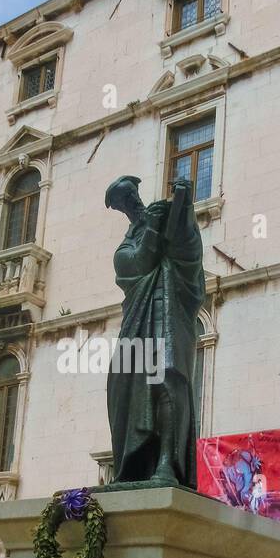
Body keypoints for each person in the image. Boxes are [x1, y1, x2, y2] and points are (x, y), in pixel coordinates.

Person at [104, 174, 205, 488]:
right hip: (139, 321)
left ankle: (167, 463)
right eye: (124, 201)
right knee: (126, 387)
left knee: (167, 380)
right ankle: (137, 462)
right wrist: (152, 229)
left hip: (170, 313)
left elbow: (188, 250)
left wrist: (183, 208)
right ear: (121, 209)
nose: (132, 203)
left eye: (132, 195)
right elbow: (138, 264)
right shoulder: (124, 248)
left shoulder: (161, 215)